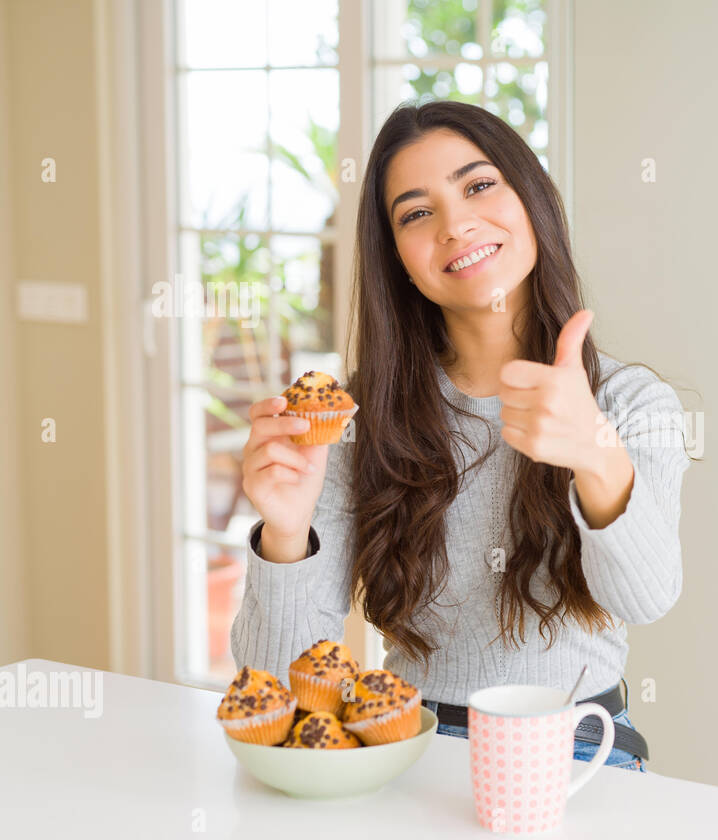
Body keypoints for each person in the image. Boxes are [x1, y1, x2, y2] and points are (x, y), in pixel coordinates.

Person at [231, 99, 693, 773]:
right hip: (408, 752)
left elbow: (646, 599)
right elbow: (278, 683)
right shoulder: (361, 420)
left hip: (578, 752)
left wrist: (595, 452)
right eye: (417, 213)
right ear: (400, 261)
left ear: (531, 200)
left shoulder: (630, 402)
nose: (456, 224)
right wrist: (285, 533)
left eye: (478, 185)